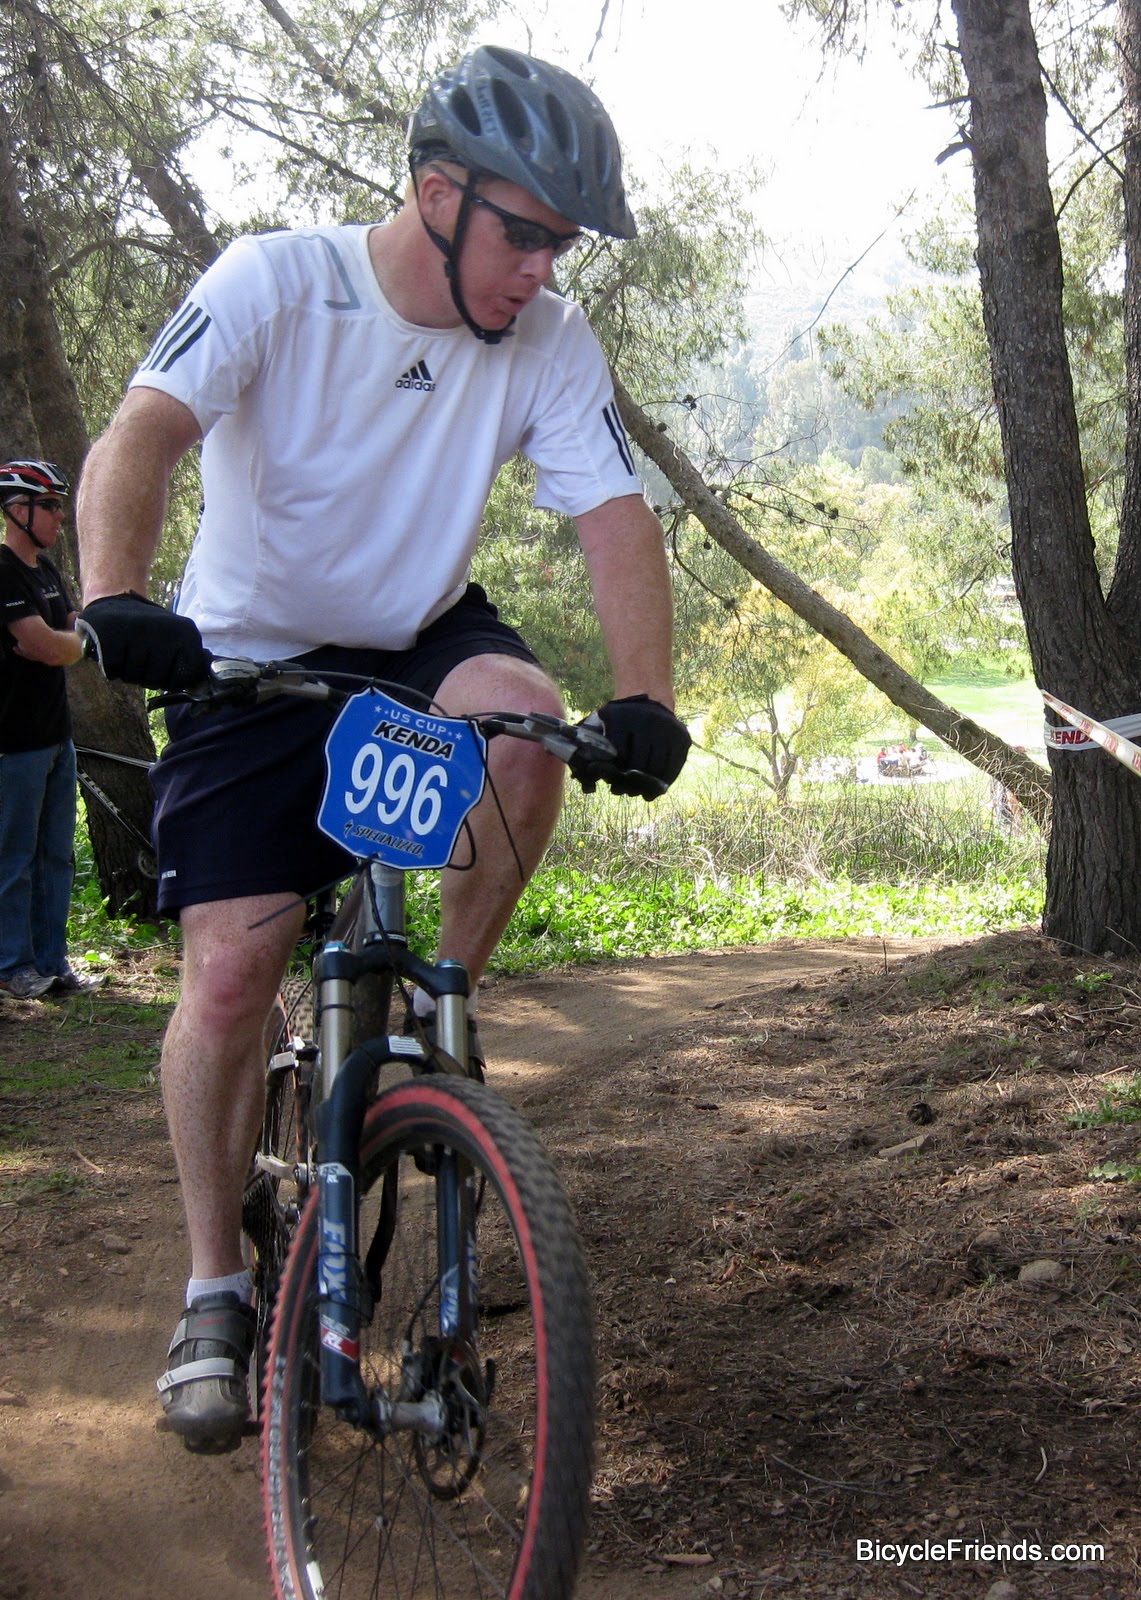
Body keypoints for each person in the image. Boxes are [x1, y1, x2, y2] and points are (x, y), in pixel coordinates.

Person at [75, 45, 691, 1451]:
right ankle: (215, 1284)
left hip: (414, 637)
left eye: (563, 242)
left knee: (525, 736)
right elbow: (141, 436)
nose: (544, 268)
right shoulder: (275, 282)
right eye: (525, 233)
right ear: (435, 195)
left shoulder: (547, 338)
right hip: (245, 655)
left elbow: (613, 520)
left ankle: (426, 1035)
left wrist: (645, 697)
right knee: (231, 969)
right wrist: (118, 597)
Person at [0, 462, 101, 1000]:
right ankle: (13, 965)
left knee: (56, 853)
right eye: (52, 505)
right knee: (13, 856)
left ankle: (52, 961)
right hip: (11, 741)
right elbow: (44, 644)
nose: (62, 515)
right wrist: (63, 644)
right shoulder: (3, 572)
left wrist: (65, 643)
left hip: (55, 734)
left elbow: (68, 635)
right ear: (20, 511)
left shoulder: (45, 569)